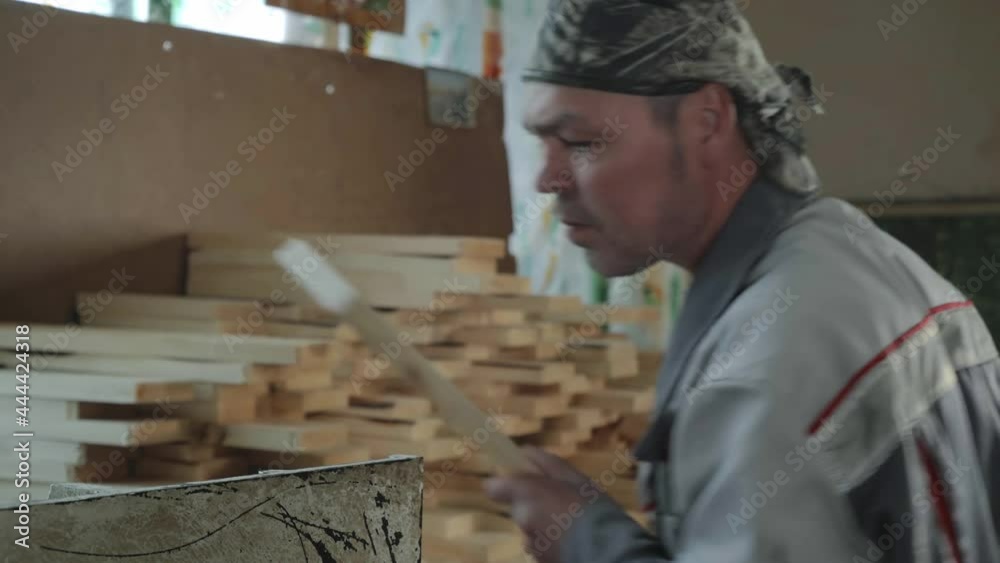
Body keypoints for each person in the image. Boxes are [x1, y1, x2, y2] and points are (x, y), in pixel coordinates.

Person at [482, 1, 1000, 562]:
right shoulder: (858, 253)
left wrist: (585, 540)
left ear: (706, 120)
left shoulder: (763, 369)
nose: (547, 178)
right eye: (543, 142)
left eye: (581, 142)